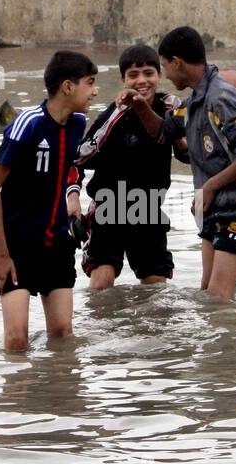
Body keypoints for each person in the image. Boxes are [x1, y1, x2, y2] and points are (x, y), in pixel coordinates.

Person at [120, 27, 236, 300]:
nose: (165, 75)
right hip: (214, 209)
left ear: (177, 62)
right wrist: (140, 105)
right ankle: (227, 342)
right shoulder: (193, 103)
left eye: (164, 67)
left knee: (218, 298)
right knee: (206, 294)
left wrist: (210, 187)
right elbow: (165, 132)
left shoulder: (221, 97)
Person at [0, 50, 96, 351]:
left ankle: (54, 395)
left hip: (56, 243)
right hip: (16, 246)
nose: (95, 91)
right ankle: (16, 394)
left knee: (62, 336)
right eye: (90, 83)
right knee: (17, 341)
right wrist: (2, 255)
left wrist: (73, 203)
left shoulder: (78, 124)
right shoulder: (27, 124)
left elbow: (70, 167)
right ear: (68, 87)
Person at [73, 44, 185, 289]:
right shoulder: (114, 115)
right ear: (123, 80)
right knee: (102, 285)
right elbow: (78, 158)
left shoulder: (171, 107)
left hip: (148, 208)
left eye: (148, 73)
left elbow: (186, 154)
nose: (141, 81)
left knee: (156, 289)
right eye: (133, 75)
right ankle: (100, 329)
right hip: (108, 208)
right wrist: (73, 198)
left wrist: (178, 134)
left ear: (159, 75)